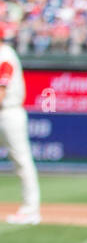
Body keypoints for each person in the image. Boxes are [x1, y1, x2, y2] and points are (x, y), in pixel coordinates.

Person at [0, 31, 41, 225]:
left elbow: (1, 91)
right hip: (6, 112)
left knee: (22, 161)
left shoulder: (5, 55)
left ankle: (30, 210)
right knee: (22, 161)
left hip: (9, 113)